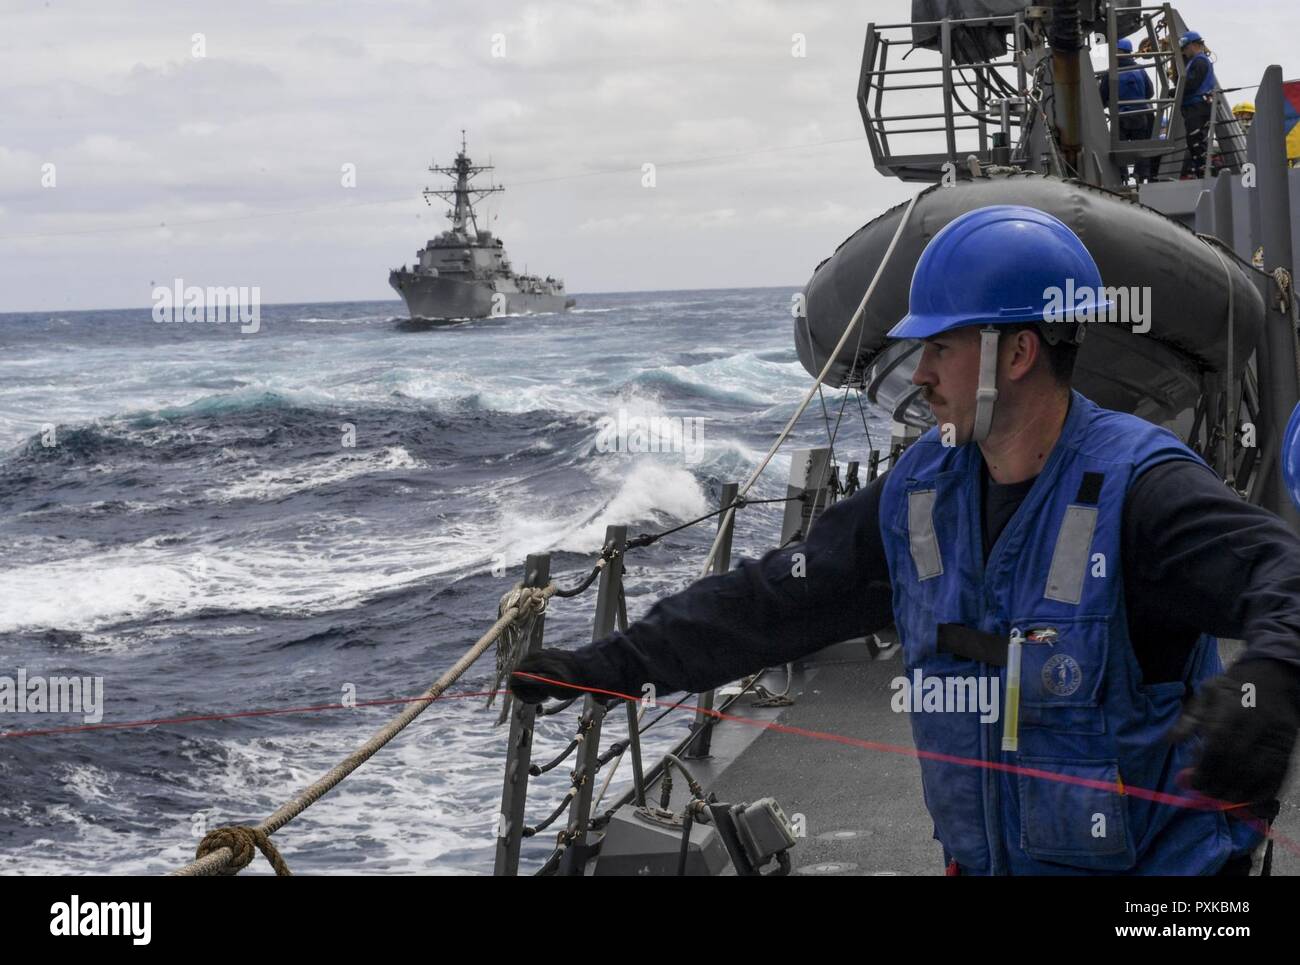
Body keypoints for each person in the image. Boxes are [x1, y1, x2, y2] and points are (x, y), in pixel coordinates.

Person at [510, 205, 1300, 876]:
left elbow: (1283, 574)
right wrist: (611, 665)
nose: (919, 373)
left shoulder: (1140, 488)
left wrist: (1266, 683)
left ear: (1017, 352)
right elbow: (773, 600)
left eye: (941, 347)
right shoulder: (921, 488)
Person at [1099, 38, 1155, 182]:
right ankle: (1141, 176)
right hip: (1140, 116)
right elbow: (1150, 93)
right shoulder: (1141, 70)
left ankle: (1122, 176)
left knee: (1119, 149)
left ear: (1117, 52)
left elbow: (1101, 97)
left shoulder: (1110, 72)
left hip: (1120, 117)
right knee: (1141, 146)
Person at [1178, 31, 1219, 178]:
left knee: (1196, 140)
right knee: (1194, 141)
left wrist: (1177, 90)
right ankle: (1201, 169)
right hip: (1195, 106)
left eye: (1184, 48)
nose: (1183, 52)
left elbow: (1193, 83)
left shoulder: (1200, 61)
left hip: (1198, 107)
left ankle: (1205, 171)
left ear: (1193, 45)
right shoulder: (1195, 61)